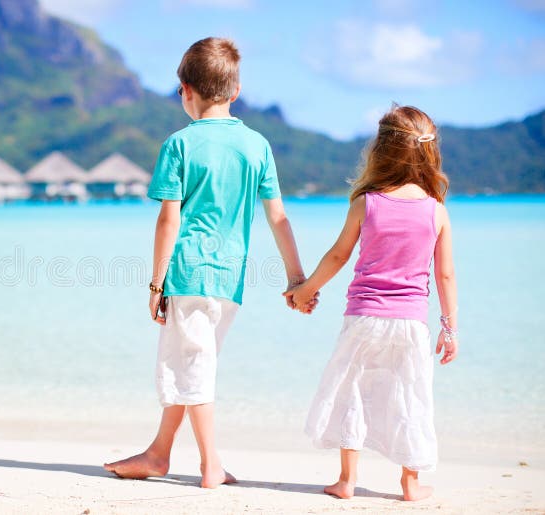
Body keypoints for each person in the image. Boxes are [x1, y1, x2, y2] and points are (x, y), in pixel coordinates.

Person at [104, 37, 312, 488]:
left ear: (185, 90)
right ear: (235, 92)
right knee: (191, 362)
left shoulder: (179, 145)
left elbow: (168, 219)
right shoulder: (258, 146)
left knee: (193, 366)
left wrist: (157, 283)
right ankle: (158, 453)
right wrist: (297, 278)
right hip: (230, 280)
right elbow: (278, 216)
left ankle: (210, 464)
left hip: (189, 272)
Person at [285, 105, 459, 501]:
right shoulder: (437, 211)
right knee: (411, 396)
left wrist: (305, 289)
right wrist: (450, 328)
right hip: (411, 323)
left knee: (352, 391)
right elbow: (445, 275)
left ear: (381, 150)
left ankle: (346, 480)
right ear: (428, 152)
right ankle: (410, 483)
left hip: (364, 316)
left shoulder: (367, 202)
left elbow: (337, 256)